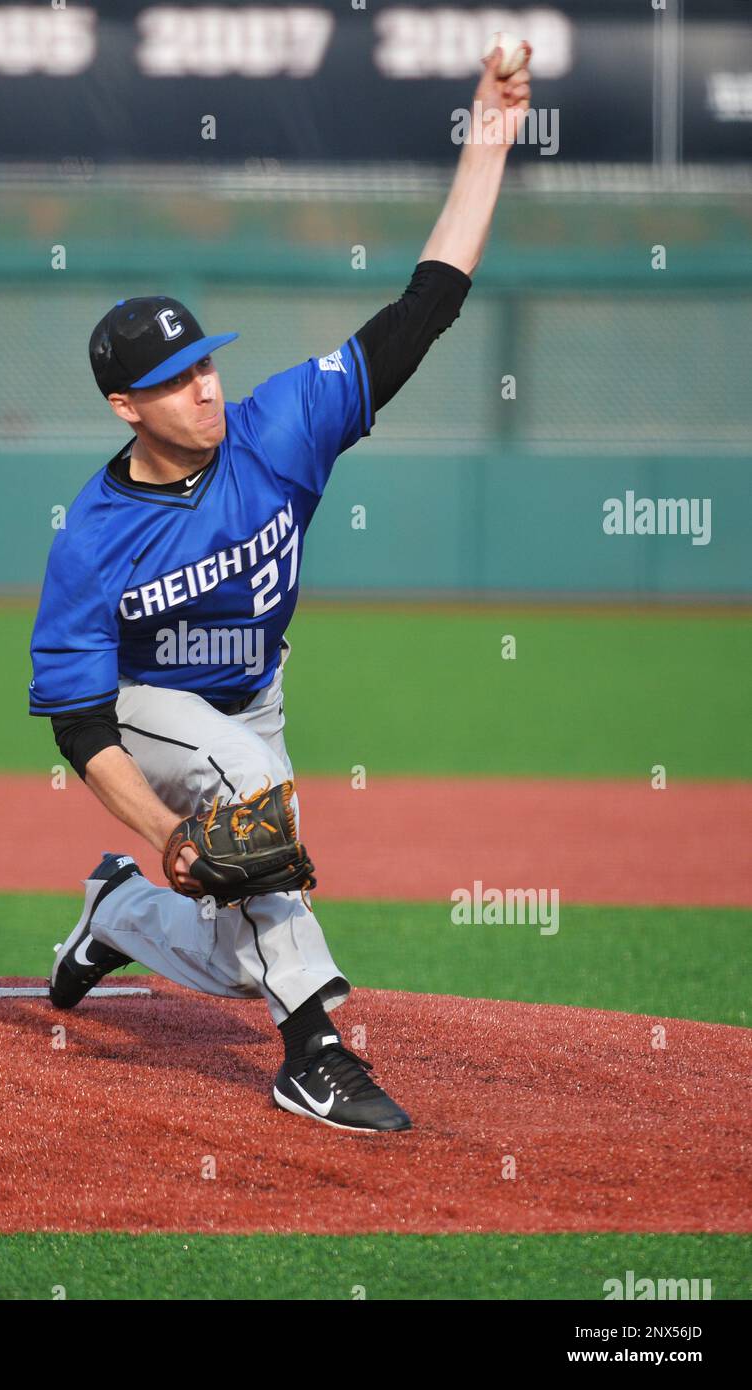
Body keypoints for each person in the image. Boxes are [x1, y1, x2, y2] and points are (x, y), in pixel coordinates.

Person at [30, 49, 532, 1132]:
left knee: (234, 933)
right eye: (172, 380)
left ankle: (115, 914)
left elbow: (426, 304)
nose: (203, 386)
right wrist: (166, 832)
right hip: (145, 709)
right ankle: (313, 1050)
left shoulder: (278, 428)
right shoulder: (93, 539)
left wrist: (488, 133)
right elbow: (76, 722)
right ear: (127, 406)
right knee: (241, 784)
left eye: (205, 363)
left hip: (255, 696)